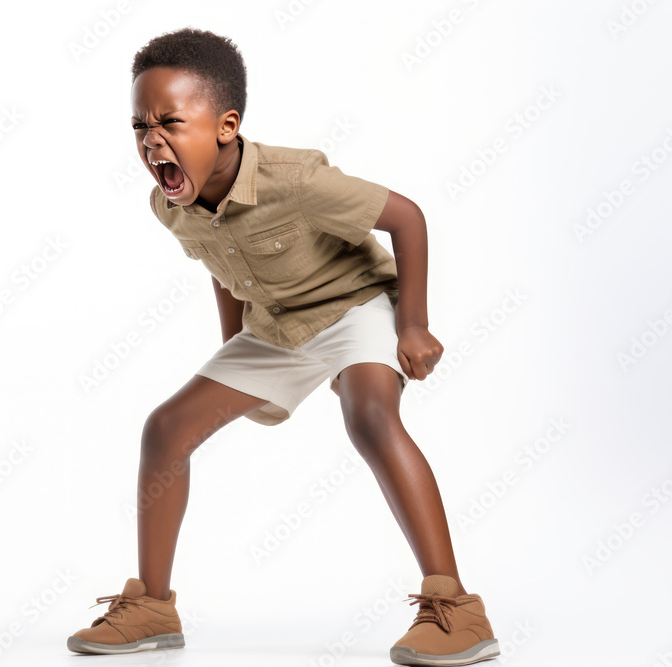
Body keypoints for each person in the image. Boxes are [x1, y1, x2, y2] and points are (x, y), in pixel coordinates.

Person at [67, 27, 500, 666]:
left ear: (226, 126)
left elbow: (406, 218)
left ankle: (457, 610)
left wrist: (413, 323)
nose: (151, 139)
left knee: (370, 417)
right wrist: (232, 350)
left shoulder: (295, 181)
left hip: (356, 305)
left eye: (170, 122)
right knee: (164, 430)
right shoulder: (170, 205)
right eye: (139, 125)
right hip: (275, 325)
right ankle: (153, 606)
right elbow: (219, 265)